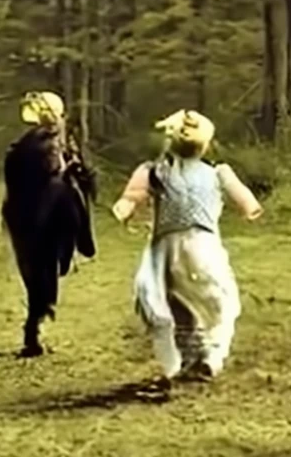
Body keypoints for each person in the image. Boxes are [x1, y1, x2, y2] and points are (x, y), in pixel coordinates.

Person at [111, 109, 263, 383]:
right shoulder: (219, 173)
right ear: (205, 144)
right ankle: (210, 357)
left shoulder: (154, 171)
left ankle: (186, 358)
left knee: (175, 303)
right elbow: (245, 199)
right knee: (218, 301)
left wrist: (125, 209)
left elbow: (132, 196)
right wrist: (250, 208)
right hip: (202, 245)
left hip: (165, 250)